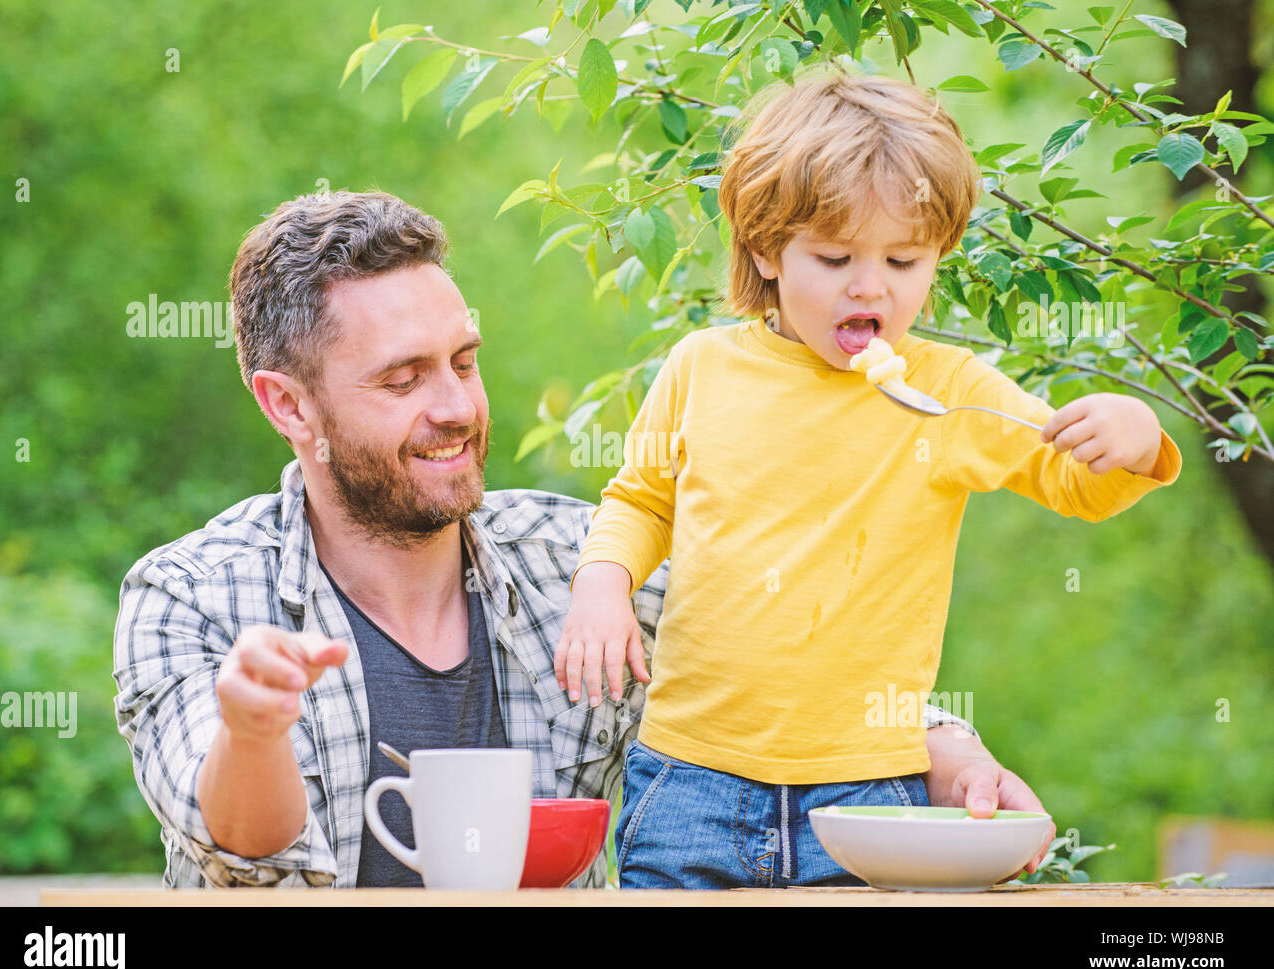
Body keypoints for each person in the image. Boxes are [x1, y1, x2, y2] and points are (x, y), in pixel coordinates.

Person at [113, 189, 1056, 890]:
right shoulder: (194, 593)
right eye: (403, 381)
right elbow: (240, 848)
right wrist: (253, 725)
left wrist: (949, 751)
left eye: (464, 362)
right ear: (289, 404)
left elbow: (765, 653)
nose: (456, 408)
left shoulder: (575, 562)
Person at [556, 71, 1183, 889]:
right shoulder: (701, 369)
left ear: (938, 255)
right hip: (689, 777)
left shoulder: (949, 390)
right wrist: (602, 583)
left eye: (902, 258)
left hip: (868, 788)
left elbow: (1072, 477)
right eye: (834, 256)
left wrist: (1135, 437)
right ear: (763, 249)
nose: (870, 285)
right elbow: (640, 500)